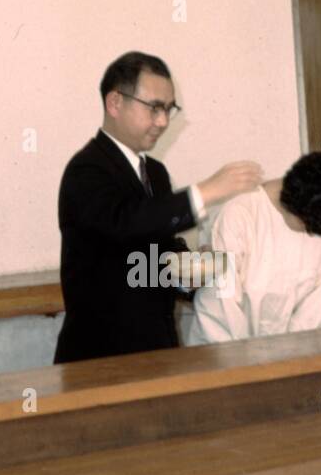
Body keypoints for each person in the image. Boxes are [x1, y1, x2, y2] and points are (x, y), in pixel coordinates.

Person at [53, 51, 263, 364]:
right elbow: (126, 225)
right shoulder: (86, 170)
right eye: (154, 108)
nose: (163, 121)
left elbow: (151, 252)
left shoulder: (155, 172)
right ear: (115, 103)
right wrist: (205, 191)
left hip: (156, 350)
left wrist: (187, 271)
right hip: (100, 357)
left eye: (168, 109)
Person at [188, 152, 321, 343]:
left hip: (286, 354)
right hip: (222, 347)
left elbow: (316, 310)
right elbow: (224, 308)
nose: (314, 235)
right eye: (308, 227)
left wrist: (293, 360)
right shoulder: (239, 214)